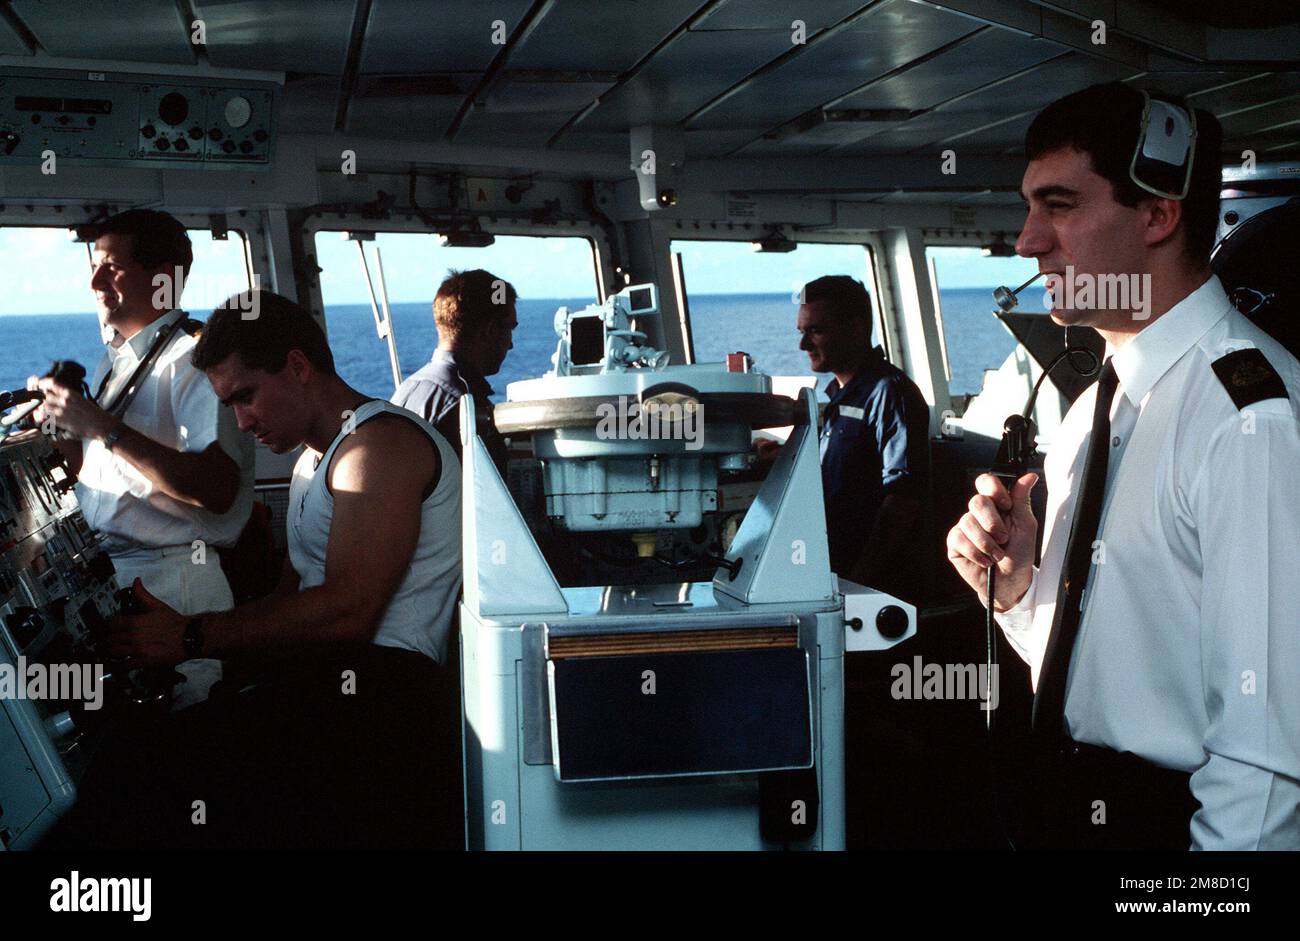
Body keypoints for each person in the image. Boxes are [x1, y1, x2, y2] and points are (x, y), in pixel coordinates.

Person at [946, 82, 1300, 850]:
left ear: (1158, 214)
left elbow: (1269, 760)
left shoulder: (1249, 419)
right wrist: (1013, 594)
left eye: (1060, 206)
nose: (1027, 240)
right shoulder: (1091, 410)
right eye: (1030, 207)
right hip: (1071, 802)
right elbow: (1108, 664)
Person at [91, 290, 463, 848]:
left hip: (384, 699)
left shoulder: (377, 447)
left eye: (245, 397)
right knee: (138, 749)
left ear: (297, 366)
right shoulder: (316, 461)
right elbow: (289, 596)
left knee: (146, 777)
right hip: (334, 681)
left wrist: (192, 637)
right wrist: (196, 643)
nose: (241, 423)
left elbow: (349, 612)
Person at [29, 208, 255, 705]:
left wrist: (102, 426)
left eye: (111, 266)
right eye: (94, 265)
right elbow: (108, 469)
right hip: (120, 576)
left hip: (178, 579)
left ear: (162, 279)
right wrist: (61, 428)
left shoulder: (194, 360)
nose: (94, 280)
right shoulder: (117, 363)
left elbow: (216, 489)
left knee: (185, 734)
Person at [765, 275, 930, 598]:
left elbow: (902, 501)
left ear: (855, 328)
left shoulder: (889, 393)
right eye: (802, 332)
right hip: (836, 573)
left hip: (874, 586)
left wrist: (858, 585)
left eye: (816, 331)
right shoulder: (842, 395)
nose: (803, 345)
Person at [391, 268, 517, 473]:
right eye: (509, 328)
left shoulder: (408, 389)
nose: (511, 344)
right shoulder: (465, 405)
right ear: (491, 329)